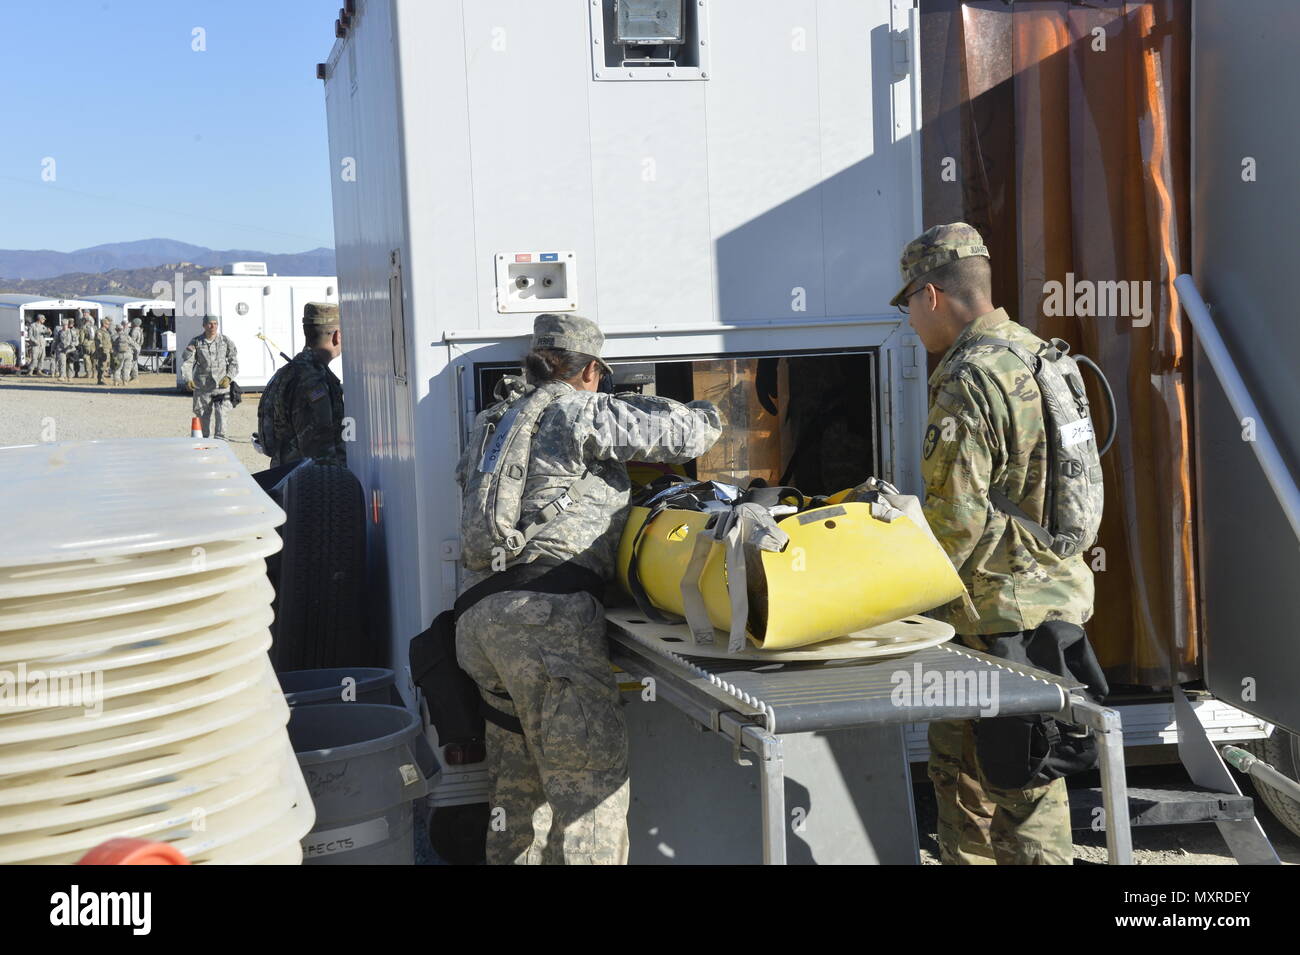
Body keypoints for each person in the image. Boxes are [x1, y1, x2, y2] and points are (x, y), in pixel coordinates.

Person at [454, 313, 722, 865]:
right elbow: (691, 436)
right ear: (592, 371)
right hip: (545, 626)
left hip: (482, 622)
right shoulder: (579, 409)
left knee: (518, 797)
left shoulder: (493, 419)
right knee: (588, 796)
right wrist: (709, 407)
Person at [890, 222, 1099, 865]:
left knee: (1015, 789)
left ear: (930, 295)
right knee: (974, 773)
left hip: (993, 618)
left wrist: (899, 607)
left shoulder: (969, 377)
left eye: (907, 309)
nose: (910, 326)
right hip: (1049, 599)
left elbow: (955, 519)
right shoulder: (1042, 355)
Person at [256, 302, 346, 468]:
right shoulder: (313, 381)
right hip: (310, 486)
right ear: (337, 336)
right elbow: (320, 453)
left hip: (287, 478)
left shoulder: (288, 371)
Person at [181, 316, 239, 439]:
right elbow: (188, 362)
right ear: (204, 325)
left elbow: (234, 362)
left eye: (215, 324)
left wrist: (229, 377)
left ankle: (221, 446)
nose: (212, 327)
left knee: (222, 418)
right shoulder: (196, 342)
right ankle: (204, 447)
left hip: (221, 387)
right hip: (202, 388)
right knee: (202, 419)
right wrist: (188, 379)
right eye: (209, 324)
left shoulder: (225, 341)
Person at [91, 318, 113, 385]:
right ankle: (100, 380)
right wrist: (101, 351)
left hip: (107, 351)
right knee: (102, 366)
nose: (109, 325)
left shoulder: (107, 332)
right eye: (107, 324)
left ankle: (103, 378)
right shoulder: (99, 332)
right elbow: (99, 342)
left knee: (106, 365)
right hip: (103, 351)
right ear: (104, 324)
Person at [112, 321, 134, 387]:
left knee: (117, 368)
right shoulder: (127, 336)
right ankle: (125, 382)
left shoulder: (114, 336)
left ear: (116, 329)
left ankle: (116, 382)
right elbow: (132, 343)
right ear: (122, 329)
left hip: (118, 354)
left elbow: (112, 345)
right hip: (128, 354)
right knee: (126, 368)